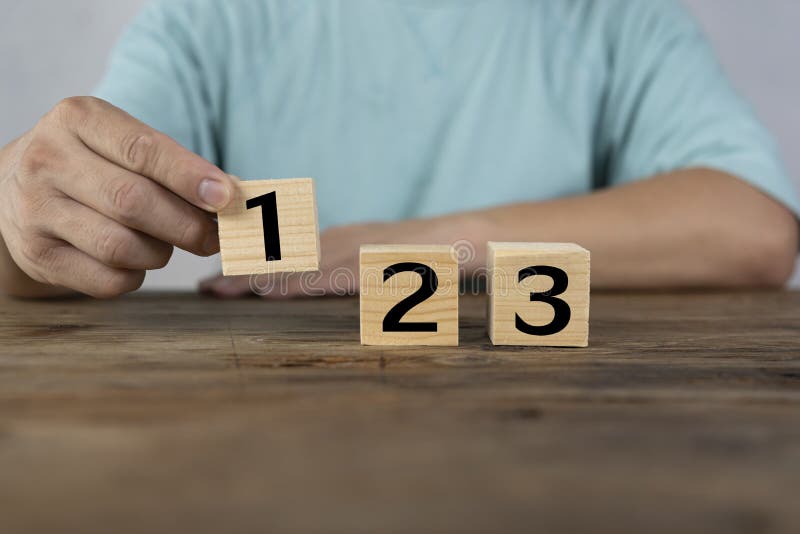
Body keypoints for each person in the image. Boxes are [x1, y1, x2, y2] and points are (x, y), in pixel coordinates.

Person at [0, 0, 797, 299]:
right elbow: (77, 211)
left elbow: (755, 229)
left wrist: (448, 244)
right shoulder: (208, 19)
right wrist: (21, 212)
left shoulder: (618, 18)